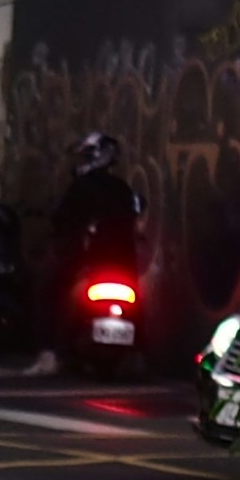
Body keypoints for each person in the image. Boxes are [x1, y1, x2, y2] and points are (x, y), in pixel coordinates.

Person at [45, 129, 151, 365]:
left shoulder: (81, 188)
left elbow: (62, 219)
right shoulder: (123, 189)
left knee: (54, 291)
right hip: (122, 267)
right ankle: (140, 351)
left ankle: (51, 349)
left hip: (90, 264)